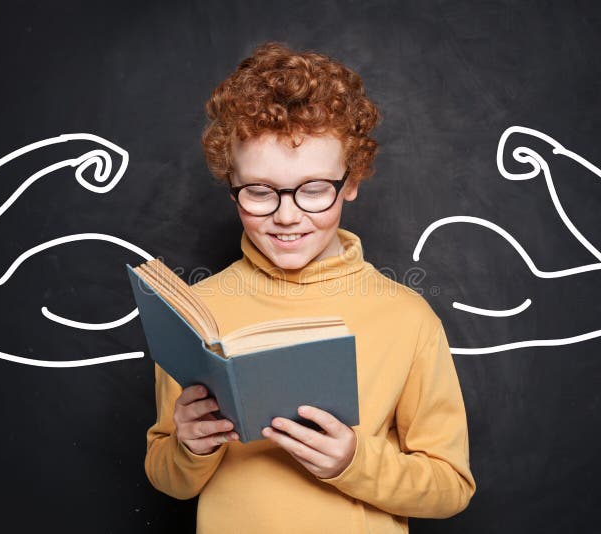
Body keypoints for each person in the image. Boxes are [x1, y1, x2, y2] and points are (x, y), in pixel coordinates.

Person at [144, 41, 476, 534]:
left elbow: (451, 487)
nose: (287, 215)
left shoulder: (408, 318)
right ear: (231, 185)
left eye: (315, 189)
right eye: (259, 191)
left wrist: (354, 462)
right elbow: (167, 477)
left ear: (351, 181)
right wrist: (189, 448)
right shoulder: (196, 312)